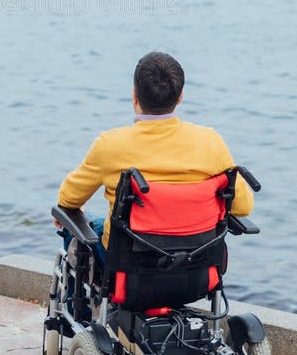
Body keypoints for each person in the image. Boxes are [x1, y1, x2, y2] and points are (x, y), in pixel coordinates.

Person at [57, 51, 254, 260]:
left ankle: (71, 293)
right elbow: (243, 207)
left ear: (134, 95)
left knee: (77, 225)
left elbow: (68, 199)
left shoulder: (110, 145)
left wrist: (69, 208)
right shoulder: (211, 142)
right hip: (196, 264)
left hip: (128, 265)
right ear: (180, 97)